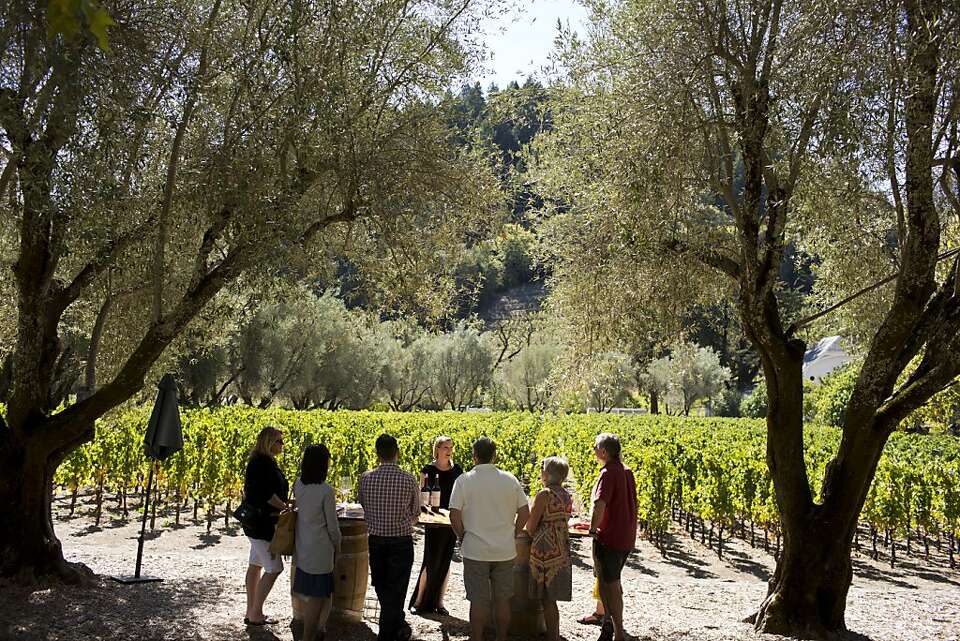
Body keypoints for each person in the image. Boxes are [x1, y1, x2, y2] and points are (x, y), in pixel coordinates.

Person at [449, 437, 529, 641]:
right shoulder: (510, 479)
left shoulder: (464, 480)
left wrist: (461, 535)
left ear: (474, 456)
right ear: (494, 456)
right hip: (504, 550)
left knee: (478, 601)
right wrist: (514, 532)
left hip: (475, 550)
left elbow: (454, 514)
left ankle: (477, 638)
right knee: (502, 600)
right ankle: (501, 638)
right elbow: (524, 511)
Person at [357, 434, 420, 641]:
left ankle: (392, 627)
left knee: (381, 584)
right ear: (397, 453)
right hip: (401, 541)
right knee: (398, 586)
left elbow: (364, 506)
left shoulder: (365, 478)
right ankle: (389, 631)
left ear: (377, 453)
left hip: (375, 540)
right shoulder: (409, 479)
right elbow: (415, 513)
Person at [589, 433, 637, 641]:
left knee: (610, 585)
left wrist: (592, 528)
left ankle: (617, 632)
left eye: (595, 448)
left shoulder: (608, 473)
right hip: (625, 536)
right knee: (610, 581)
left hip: (609, 537)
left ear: (604, 452)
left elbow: (600, 504)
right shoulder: (627, 471)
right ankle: (608, 626)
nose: (593, 451)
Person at [409, 435, 463, 615]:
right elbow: (420, 494)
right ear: (437, 449)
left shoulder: (458, 471)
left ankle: (440, 603)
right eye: (445, 447)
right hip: (433, 521)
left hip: (450, 522)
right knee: (430, 559)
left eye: (450, 447)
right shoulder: (427, 470)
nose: (449, 451)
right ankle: (418, 601)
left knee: (446, 560)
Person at [293, 444, 341, 641]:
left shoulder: (298, 484)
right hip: (321, 550)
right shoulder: (326, 491)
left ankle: (320, 629)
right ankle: (308, 636)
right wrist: (339, 543)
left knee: (318, 592)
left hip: (303, 546)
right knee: (318, 595)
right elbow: (332, 526)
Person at [242, 425, 289, 626]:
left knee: (255, 566)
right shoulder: (263, 464)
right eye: (279, 441)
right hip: (263, 525)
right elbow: (266, 494)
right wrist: (285, 507)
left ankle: (250, 610)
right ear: (269, 442)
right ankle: (255, 614)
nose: (282, 444)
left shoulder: (261, 461)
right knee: (275, 568)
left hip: (254, 523)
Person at [525, 456, 573, 641]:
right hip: (561, 545)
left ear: (546, 474)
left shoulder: (544, 495)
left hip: (545, 548)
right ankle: (553, 633)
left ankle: (552, 635)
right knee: (551, 596)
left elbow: (530, 525)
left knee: (547, 597)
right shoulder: (566, 494)